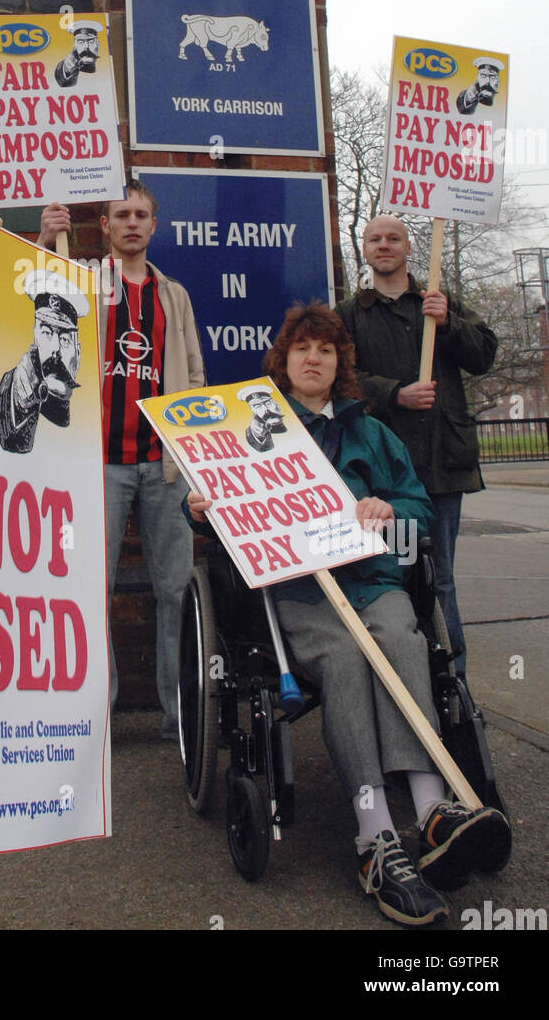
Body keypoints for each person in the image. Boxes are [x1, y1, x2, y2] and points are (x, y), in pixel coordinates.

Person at [187, 303, 510, 927]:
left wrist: (389, 512)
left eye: (327, 350)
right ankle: (374, 837)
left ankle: (431, 810)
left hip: (371, 580)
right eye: (302, 349)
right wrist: (199, 508)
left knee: (400, 638)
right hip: (300, 592)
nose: (315, 358)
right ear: (284, 362)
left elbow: (419, 514)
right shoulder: (253, 432)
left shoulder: (373, 434)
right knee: (343, 656)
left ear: (341, 364)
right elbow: (219, 518)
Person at [40, 182, 205, 739]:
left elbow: (195, 375)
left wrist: (191, 452)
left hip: (165, 467)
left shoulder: (173, 295)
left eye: (141, 215)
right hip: (98, 464)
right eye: (120, 215)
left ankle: (182, 717)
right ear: (104, 227)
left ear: (153, 225)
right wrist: (45, 237)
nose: (131, 223)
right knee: (90, 591)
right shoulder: (82, 282)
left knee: (177, 591)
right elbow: (37, 304)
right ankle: (95, 716)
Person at [336, 214, 497, 673]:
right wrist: (394, 393)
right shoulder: (349, 315)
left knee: (439, 577)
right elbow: (338, 380)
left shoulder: (437, 303)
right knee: (396, 574)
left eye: (393, 238)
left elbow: (484, 354)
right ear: (364, 250)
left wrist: (447, 324)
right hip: (384, 473)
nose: (384, 245)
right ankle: (401, 674)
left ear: (408, 247)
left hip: (441, 466)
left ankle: (452, 681)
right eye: (375, 239)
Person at [0, 269, 87, 454]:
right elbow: (11, 437)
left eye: (65, 340)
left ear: (78, 352)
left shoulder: (88, 411)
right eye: (46, 333)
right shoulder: (15, 385)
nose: (56, 350)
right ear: (35, 336)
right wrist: (21, 402)